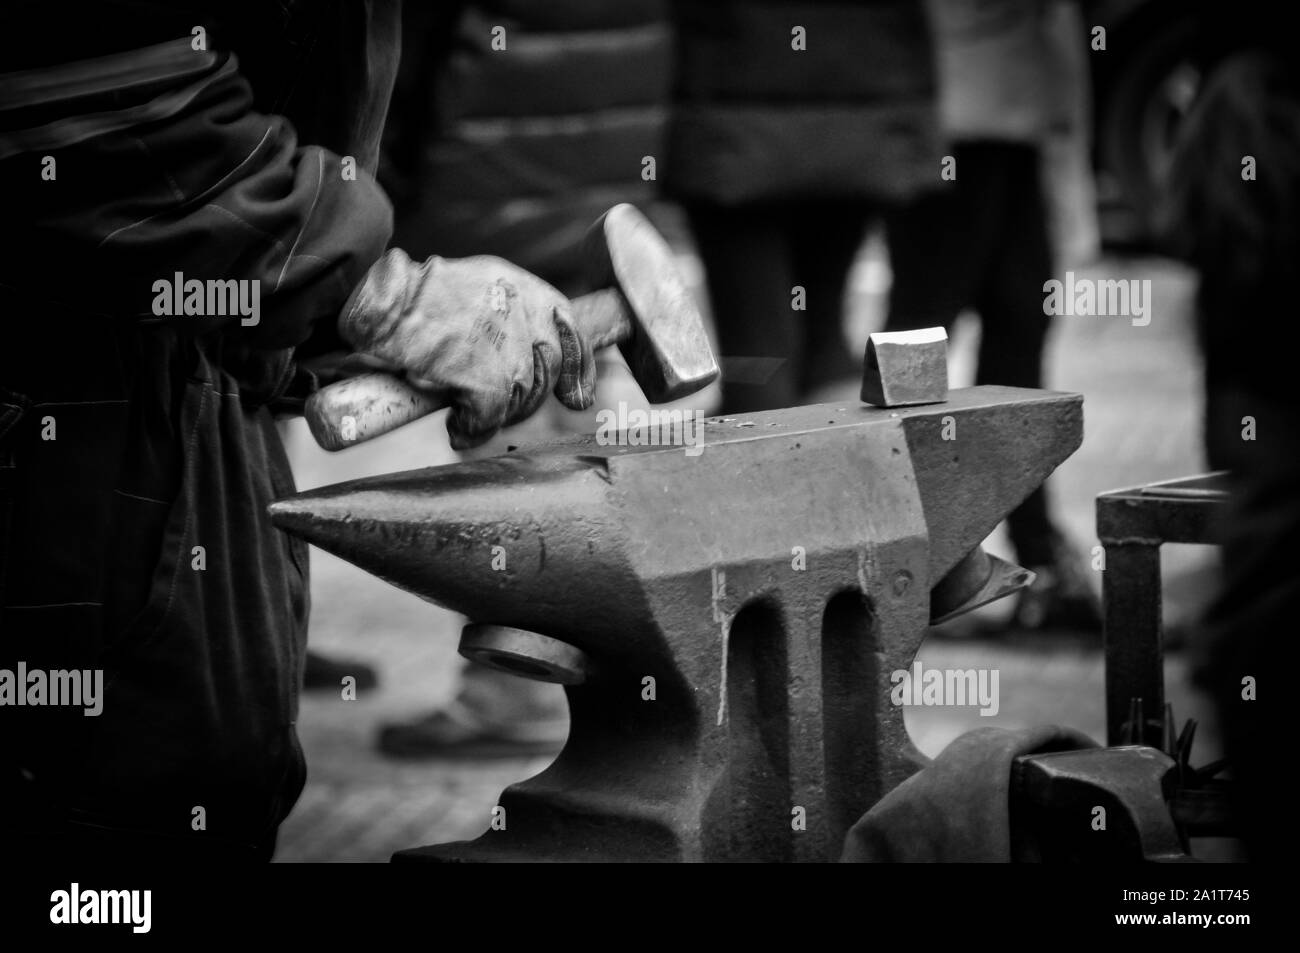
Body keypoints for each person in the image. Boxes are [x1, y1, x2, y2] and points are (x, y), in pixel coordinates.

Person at [0, 0, 595, 859]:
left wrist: (321, 300)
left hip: (181, 386)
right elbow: (86, 106)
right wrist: (376, 291)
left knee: (200, 789)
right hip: (62, 428)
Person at [374, 0, 676, 759]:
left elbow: (399, 71)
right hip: (597, 206)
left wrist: (376, 216)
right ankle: (596, 679)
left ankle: (514, 694)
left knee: (513, 470)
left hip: (482, 211)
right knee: (578, 456)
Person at [884, 0, 1100, 635]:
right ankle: (904, 563)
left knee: (1018, 335)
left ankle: (1034, 557)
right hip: (948, 111)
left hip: (1017, 113)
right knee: (915, 347)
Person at [663, 0, 941, 413]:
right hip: (859, 110)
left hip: (734, 115)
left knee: (759, 357)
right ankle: (847, 470)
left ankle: (761, 464)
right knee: (821, 339)